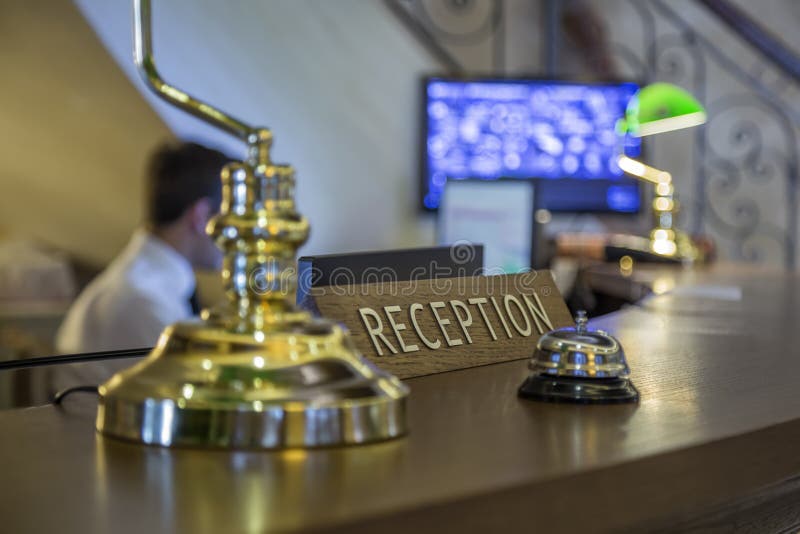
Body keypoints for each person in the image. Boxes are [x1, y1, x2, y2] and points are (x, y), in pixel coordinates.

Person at [55, 141, 230, 355]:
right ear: (201, 216)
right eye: (231, 219)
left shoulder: (150, 285)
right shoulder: (143, 301)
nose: (237, 236)